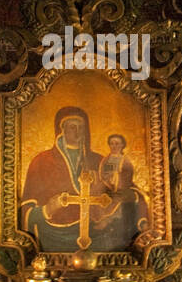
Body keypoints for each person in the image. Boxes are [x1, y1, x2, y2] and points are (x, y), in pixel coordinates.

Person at [21, 108, 147, 253]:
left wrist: (129, 197)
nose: (77, 131)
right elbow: (26, 212)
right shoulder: (41, 162)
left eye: (81, 127)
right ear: (61, 130)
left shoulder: (101, 160)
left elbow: (125, 185)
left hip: (98, 237)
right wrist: (46, 210)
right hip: (55, 239)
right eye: (72, 127)